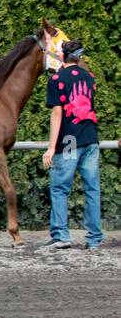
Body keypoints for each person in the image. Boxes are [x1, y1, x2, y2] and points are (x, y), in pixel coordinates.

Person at [40, 40, 103, 250]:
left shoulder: (57, 79)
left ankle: (61, 236)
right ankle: (94, 238)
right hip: (91, 138)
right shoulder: (90, 78)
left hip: (70, 140)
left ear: (63, 56)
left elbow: (57, 113)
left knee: (59, 188)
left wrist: (50, 147)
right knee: (92, 189)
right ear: (80, 56)